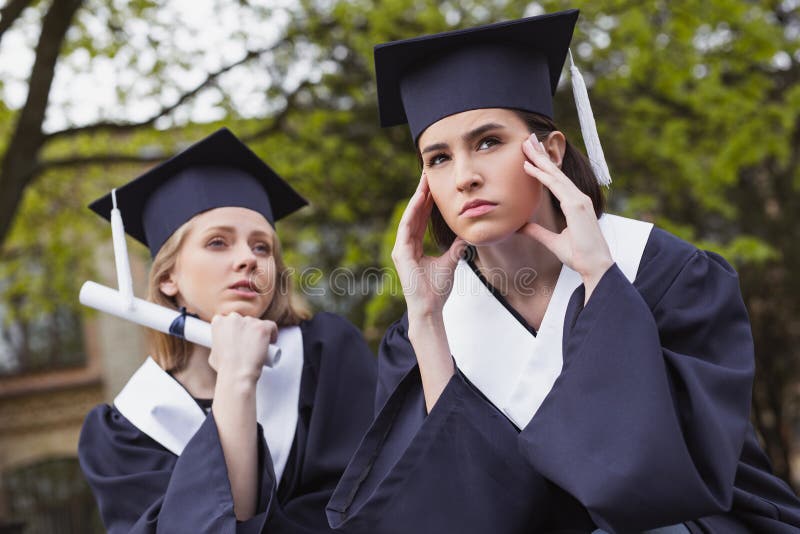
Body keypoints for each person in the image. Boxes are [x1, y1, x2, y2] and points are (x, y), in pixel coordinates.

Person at [326, 9, 800, 534]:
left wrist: (601, 278)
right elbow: (459, 513)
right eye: (437, 158)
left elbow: (664, 480)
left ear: (549, 151)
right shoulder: (423, 330)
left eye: (488, 142)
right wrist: (427, 324)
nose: (464, 177)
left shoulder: (666, 275)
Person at [78, 128, 377, 533]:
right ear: (168, 278)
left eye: (261, 247)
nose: (247, 260)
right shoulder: (126, 430)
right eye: (218, 243)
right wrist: (237, 381)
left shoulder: (326, 356)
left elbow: (371, 504)